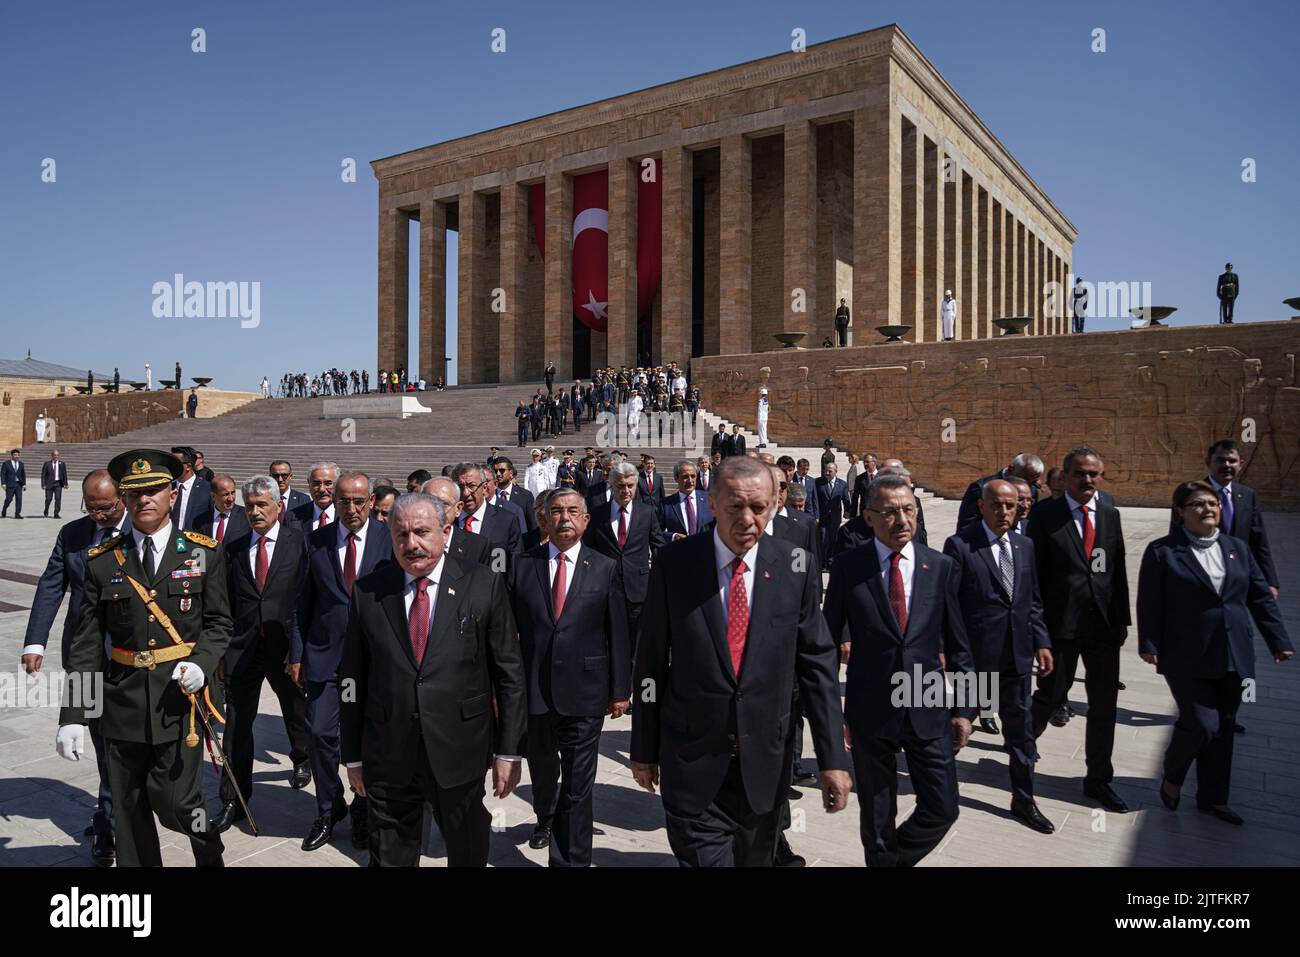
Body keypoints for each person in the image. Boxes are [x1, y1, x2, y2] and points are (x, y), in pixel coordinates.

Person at [632, 456, 851, 866]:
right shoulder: (675, 565)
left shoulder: (794, 567)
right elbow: (650, 662)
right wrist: (643, 746)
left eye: (759, 507)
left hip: (766, 765)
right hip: (692, 760)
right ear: (712, 503)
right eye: (735, 506)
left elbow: (817, 666)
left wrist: (832, 759)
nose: (748, 519)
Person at [55, 448, 230, 867]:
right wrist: (73, 715)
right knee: (129, 813)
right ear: (124, 499)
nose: (143, 500)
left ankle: (208, 849)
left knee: (179, 804)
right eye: (134, 493)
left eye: (153, 491)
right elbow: (85, 643)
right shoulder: (101, 562)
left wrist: (201, 664)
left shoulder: (203, 552)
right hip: (122, 703)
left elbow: (220, 623)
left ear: (172, 494)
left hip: (179, 704)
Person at [340, 493, 526, 866]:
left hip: (460, 749)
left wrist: (508, 750)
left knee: (468, 847)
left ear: (445, 530)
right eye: (401, 535)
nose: (412, 545)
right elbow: (351, 680)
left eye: (422, 532)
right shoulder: (368, 591)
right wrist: (353, 756)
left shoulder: (483, 583)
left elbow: (509, 675)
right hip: (389, 753)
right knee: (390, 855)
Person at [823, 474, 976, 866]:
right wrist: (830, 716)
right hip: (869, 709)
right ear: (869, 517)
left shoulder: (938, 566)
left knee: (943, 808)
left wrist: (965, 709)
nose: (902, 520)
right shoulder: (847, 567)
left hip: (927, 702)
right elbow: (823, 647)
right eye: (890, 512)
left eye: (909, 510)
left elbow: (960, 643)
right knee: (877, 819)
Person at [1138, 480, 1293, 826]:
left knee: (1222, 728)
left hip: (1234, 651)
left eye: (1212, 503)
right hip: (1185, 653)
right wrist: (1149, 643)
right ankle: (1173, 775)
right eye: (1198, 504)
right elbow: (1150, 602)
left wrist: (1279, 640)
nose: (1208, 508)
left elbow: (1259, 597)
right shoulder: (1163, 551)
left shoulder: (1237, 547)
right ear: (1180, 512)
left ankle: (1214, 799)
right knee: (1201, 723)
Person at [508, 489, 630, 864]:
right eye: (556, 511)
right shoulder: (521, 565)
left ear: (586, 520)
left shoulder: (605, 566)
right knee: (544, 771)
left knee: (578, 787)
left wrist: (620, 690)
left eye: (573, 511)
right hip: (536, 692)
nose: (565, 518)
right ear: (543, 519)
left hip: (586, 694)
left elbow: (618, 634)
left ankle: (570, 860)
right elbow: (507, 633)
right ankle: (545, 817)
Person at [23, 469, 131, 864]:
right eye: (91, 508)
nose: (99, 516)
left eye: (105, 508)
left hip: (130, 657)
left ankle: (117, 815)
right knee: (101, 737)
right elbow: (51, 585)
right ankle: (109, 819)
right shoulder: (72, 533)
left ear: (121, 499)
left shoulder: (139, 530)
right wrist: (35, 641)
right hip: (84, 657)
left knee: (122, 741)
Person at [943, 480, 1056, 833]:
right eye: (998, 505)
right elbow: (949, 607)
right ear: (981, 506)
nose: (1005, 511)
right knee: (958, 729)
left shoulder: (1024, 545)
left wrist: (1042, 641)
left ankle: (1024, 799)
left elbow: (1032, 600)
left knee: (1021, 734)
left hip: (1017, 658)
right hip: (975, 661)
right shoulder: (961, 546)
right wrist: (950, 652)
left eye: (1012, 505)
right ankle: (937, 786)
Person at [1028, 446, 1131, 812]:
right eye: (1081, 474)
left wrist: (1122, 619)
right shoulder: (1044, 517)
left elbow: (1115, 571)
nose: (1088, 480)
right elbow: (1033, 581)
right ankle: (1022, 749)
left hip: (1102, 627)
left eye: (1094, 474)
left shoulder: (1109, 514)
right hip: (1060, 629)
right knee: (1051, 696)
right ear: (1066, 477)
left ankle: (1098, 780)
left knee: (1104, 706)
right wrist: (1038, 634)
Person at [292, 471, 391, 851]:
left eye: (359, 501)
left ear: (370, 501)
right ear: (333, 502)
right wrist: (297, 654)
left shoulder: (389, 539)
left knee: (368, 739)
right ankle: (329, 806)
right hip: (324, 657)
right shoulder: (314, 541)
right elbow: (302, 603)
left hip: (373, 660)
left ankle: (364, 808)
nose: (351, 508)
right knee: (320, 734)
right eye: (344, 501)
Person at [213, 476, 312, 834]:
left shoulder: (299, 543)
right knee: (237, 728)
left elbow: (306, 600)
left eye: (262, 505)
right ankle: (233, 799)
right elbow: (222, 603)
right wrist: (222, 653)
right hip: (243, 651)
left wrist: (299, 651)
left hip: (285, 650)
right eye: (250, 505)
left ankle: (302, 758)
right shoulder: (234, 548)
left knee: (297, 712)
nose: (254, 512)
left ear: (278, 507)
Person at [584, 462, 665, 650]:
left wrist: (656, 580)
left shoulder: (647, 513)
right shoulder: (597, 514)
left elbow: (658, 546)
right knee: (608, 643)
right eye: (621, 486)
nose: (626, 490)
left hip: (638, 591)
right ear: (611, 485)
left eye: (630, 486)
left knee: (637, 645)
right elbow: (588, 549)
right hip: (605, 590)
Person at [1184, 440, 1279, 600]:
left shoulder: (1247, 495)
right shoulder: (1191, 494)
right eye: (1220, 460)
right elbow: (1178, 539)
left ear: (1241, 464)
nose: (1227, 465)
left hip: (1239, 576)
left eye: (1232, 461)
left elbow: (1259, 541)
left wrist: (1270, 581)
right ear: (1208, 462)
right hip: (1205, 578)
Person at [955, 453, 1044, 532]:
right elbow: (966, 526)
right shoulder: (981, 488)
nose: (1026, 485)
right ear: (1011, 468)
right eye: (1025, 478)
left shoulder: (1032, 490)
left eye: (1032, 482)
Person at [660, 460, 712, 539]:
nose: (690, 481)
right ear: (676, 478)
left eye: (693, 476)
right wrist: (673, 536)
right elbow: (656, 532)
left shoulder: (709, 499)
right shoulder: (666, 504)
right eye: (685, 477)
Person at [813, 462, 850, 569]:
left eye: (830, 471)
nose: (827, 473)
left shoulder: (842, 484)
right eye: (826, 470)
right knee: (823, 539)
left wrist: (847, 510)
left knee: (833, 540)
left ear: (836, 472)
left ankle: (830, 562)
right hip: (822, 517)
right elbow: (815, 499)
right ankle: (822, 562)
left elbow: (846, 499)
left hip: (835, 517)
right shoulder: (818, 482)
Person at [195, 474, 249, 544]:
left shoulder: (247, 516)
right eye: (225, 494)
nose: (231, 498)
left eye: (233, 493)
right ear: (213, 496)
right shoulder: (200, 521)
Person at [168, 446, 212, 531]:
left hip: (193, 541)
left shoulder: (207, 489)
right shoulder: (167, 488)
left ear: (188, 466)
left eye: (175, 463)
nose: (171, 467)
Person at [494, 458, 536, 535]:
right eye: (495, 471)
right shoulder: (488, 495)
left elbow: (532, 525)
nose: (498, 474)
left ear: (511, 473)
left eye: (502, 470)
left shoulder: (525, 495)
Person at [291, 461, 338, 530]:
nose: (322, 489)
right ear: (309, 484)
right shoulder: (293, 516)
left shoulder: (348, 515)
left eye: (328, 483)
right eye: (316, 484)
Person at [269, 459, 312, 524]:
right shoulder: (264, 499)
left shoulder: (303, 499)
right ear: (270, 477)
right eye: (276, 476)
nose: (280, 480)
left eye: (284, 476)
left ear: (290, 476)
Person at [41, 450, 68, 518]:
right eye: (54, 455)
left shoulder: (62, 464)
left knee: (58, 498)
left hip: (58, 483)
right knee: (48, 499)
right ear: (52, 456)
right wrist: (43, 484)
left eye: (57, 455)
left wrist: (66, 484)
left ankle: (56, 513)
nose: (56, 457)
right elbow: (43, 475)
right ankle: (46, 509)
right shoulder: (47, 464)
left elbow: (64, 474)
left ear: (59, 456)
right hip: (49, 484)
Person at [2, 449, 26, 518]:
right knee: (9, 499)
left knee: (19, 499)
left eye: (18, 455)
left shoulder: (21, 464)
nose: (17, 456)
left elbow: (23, 474)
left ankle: (17, 513)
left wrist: (24, 484)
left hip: (18, 484)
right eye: (15, 455)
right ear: (12, 455)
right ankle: (4, 508)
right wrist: (3, 483)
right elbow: (3, 474)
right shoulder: (6, 463)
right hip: (9, 484)